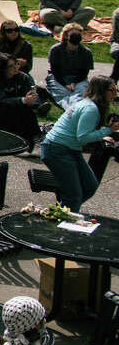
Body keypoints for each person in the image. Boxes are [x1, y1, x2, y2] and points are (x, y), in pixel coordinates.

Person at [39, 76, 116, 212]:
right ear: (101, 91)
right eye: (112, 90)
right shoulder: (90, 109)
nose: (115, 94)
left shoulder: (87, 104)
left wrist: (101, 136)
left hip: (68, 148)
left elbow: (81, 131)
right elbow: (83, 137)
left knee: (89, 186)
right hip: (56, 149)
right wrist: (107, 130)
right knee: (73, 196)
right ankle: (62, 225)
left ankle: (61, 213)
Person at [48, 26, 95, 107]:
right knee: (63, 94)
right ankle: (71, 109)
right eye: (71, 43)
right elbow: (54, 70)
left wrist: (74, 82)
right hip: (58, 77)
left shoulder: (86, 52)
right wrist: (65, 84)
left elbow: (84, 72)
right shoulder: (56, 49)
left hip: (78, 79)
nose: (73, 46)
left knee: (81, 94)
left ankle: (76, 107)